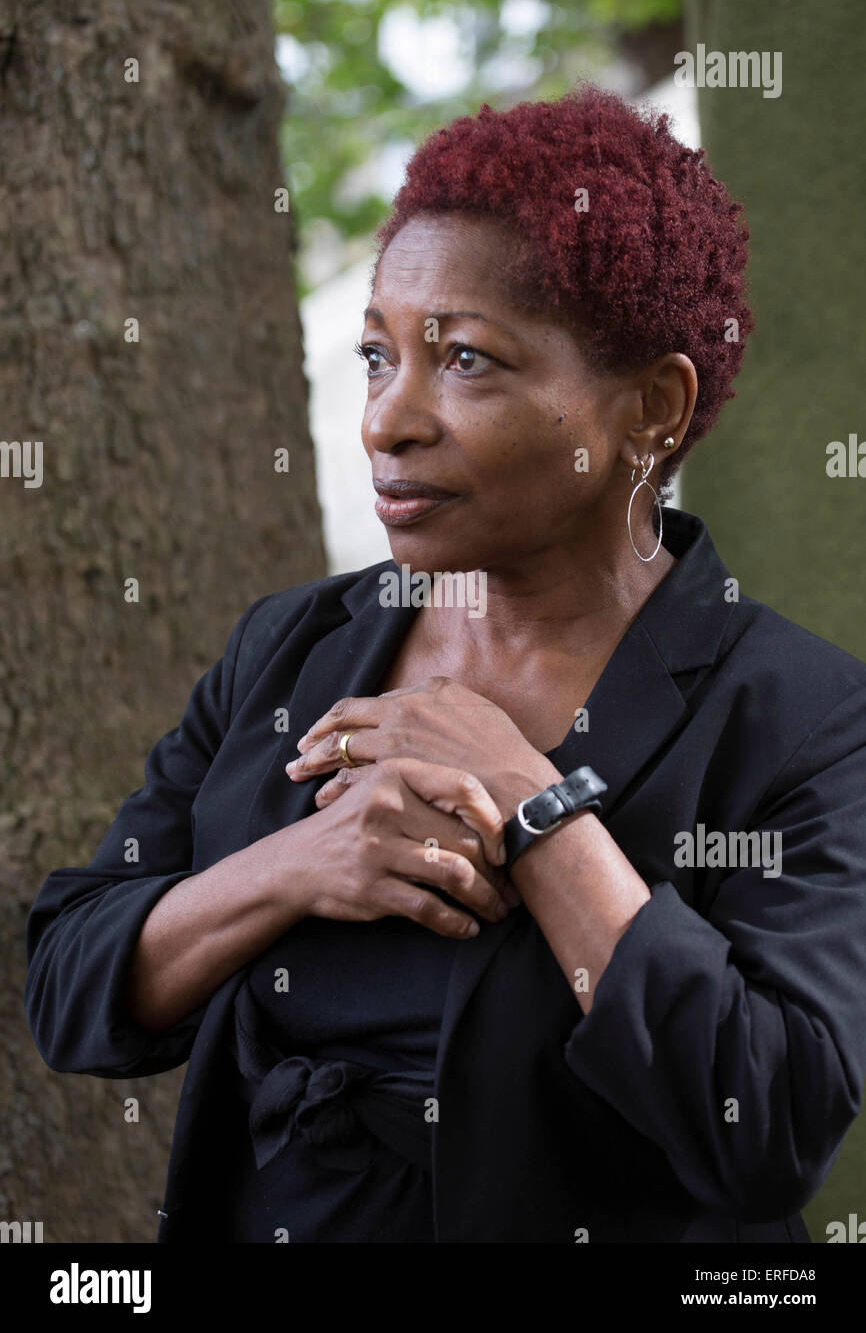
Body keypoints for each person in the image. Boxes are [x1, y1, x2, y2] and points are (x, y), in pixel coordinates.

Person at [24, 84, 866, 1243]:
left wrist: (538, 807)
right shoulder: (291, 650)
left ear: (650, 411)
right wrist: (293, 864)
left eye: (464, 361)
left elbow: (766, 1121)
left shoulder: (804, 717)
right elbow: (70, 984)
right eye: (378, 356)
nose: (386, 420)